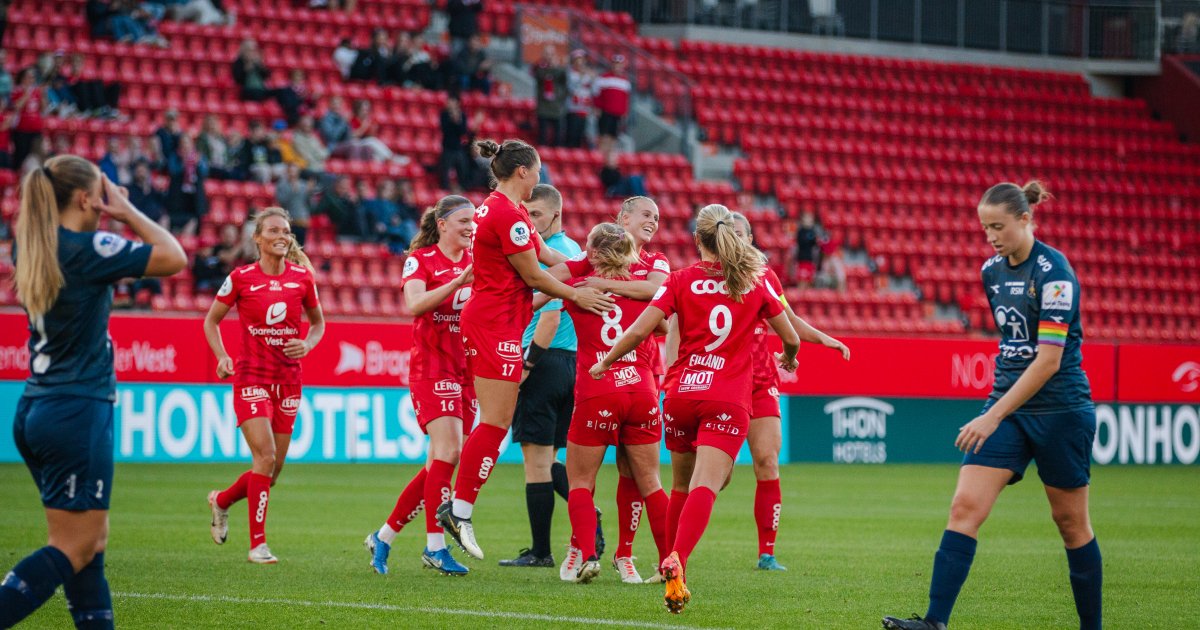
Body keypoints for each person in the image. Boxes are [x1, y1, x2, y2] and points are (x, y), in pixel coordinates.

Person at [883, 182, 1101, 630]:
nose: (992, 236)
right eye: (985, 228)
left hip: (1060, 411)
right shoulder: (991, 271)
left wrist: (992, 413)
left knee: (1070, 523)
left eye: (998, 226)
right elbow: (1014, 345)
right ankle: (934, 622)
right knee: (964, 506)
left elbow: (1048, 361)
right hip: (1008, 407)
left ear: (1026, 219)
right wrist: (999, 409)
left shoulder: (1055, 273)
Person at [0, 155, 185, 628]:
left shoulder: (33, 245)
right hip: (77, 410)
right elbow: (173, 256)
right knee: (75, 545)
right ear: (87, 198)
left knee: (89, 545)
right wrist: (128, 212)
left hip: (39, 405)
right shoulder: (84, 248)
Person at [591, 203, 800, 613]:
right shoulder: (752, 281)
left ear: (696, 239)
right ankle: (677, 560)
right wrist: (790, 356)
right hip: (727, 397)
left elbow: (640, 329)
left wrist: (607, 360)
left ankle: (668, 565)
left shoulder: (679, 279)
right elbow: (789, 335)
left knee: (681, 486)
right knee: (708, 485)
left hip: (682, 395)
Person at [435, 138, 613, 561]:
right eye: (537, 171)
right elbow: (535, 275)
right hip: (495, 323)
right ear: (522, 172)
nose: (540, 177)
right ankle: (459, 511)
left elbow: (550, 256)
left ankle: (458, 510)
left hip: (496, 321)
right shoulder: (507, 214)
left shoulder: (504, 211)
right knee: (494, 422)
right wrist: (578, 296)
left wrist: (595, 258)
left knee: (494, 421)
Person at [546, 195, 671, 584]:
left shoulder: (585, 280)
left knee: (586, 478)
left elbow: (540, 293)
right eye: (645, 214)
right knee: (648, 480)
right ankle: (668, 560)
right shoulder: (641, 279)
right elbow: (664, 321)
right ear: (623, 220)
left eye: (657, 216)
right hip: (641, 387)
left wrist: (585, 284)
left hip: (600, 386)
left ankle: (598, 552)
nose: (652, 221)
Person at [727, 211, 849, 572]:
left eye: (739, 233)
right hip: (723, 382)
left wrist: (827, 339)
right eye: (727, 233)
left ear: (749, 239)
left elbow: (789, 322)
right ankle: (676, 547)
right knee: (717, 477)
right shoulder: (706, 278)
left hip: (761, 381)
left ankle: (767, 553)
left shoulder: (765, 276)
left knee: (767, 461)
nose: (734, 239)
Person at [203, 207, 325, 564]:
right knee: (265, 457)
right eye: (273, 230)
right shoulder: (241, 278)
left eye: (286, 230)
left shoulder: (302, 278)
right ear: (257, 238)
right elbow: (211, 322)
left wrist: (308, 344)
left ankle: (221, 501)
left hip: (288, 380)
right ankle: (258, 545)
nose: (281, 235)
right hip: (251, 377)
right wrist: (222, 357)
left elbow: (318, 325)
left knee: (271, 472)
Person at [364, 195, 476, 576]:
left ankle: (384, 536)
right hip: (433, 369)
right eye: (463, 220)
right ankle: (435, 547)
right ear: (442, 224)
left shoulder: (481, 263)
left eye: (473, 220)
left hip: (468, 374)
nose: (470, 226)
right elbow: (414, 304)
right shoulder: (422, 260)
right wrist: (459, 281)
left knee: (438, 467)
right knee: (449, 451)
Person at [497, 184, 588, 569]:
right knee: (550, 459)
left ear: (555, 215)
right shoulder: (575, 252)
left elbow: (549, 317)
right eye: (526, 214)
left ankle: (540, 551)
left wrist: (526, 366)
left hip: (545, 361)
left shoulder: (556, 257)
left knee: (535, 462)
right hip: (571, 364)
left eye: (535, 215)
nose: (529, 221)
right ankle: (589, 520)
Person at [592, 55, 630, 155]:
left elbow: (625, 99)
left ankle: (608, 156)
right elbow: (596, 94)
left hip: (617, 114)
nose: (617, 67)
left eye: (620, 65)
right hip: (606, 112)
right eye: (616, 64)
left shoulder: (625, 81)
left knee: (613, 137)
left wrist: (624, 111)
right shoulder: (603, 78)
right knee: (604, 136)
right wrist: (597, 107)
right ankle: (601, 155)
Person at [532, 46, 567, 147]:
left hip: (557, 107)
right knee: (542, 136)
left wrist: (556, 66)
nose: (549, 56)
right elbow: (540, 74)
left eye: (551, 54)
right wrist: (551, 67)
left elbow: (563, 77)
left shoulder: (560, 69)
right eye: (547, 54)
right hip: (543, 107)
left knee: (557, 137)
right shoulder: (539, 67)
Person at [564, 50, 593, 149]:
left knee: (580, 136)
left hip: (584, 109)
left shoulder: (587, 75)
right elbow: (571, 88)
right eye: (578, 60)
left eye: (582, 60)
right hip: (572, 108)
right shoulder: (570, 73)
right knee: (571, 134)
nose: (580, 63)